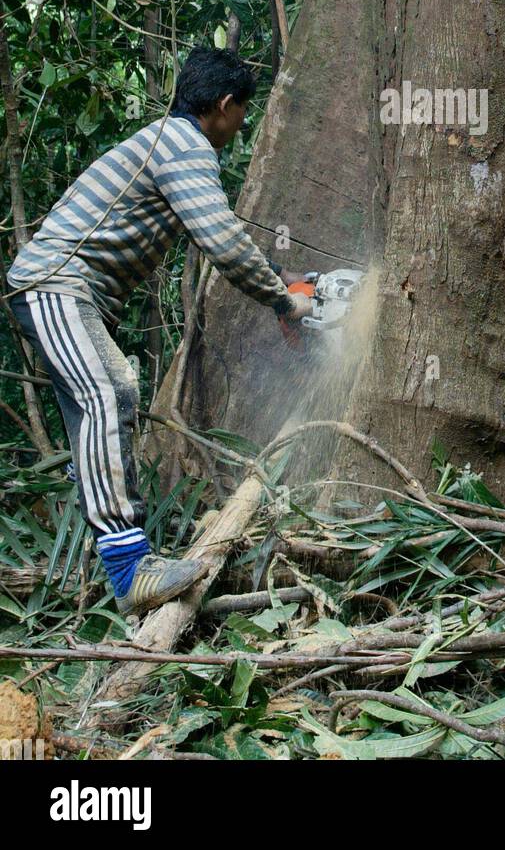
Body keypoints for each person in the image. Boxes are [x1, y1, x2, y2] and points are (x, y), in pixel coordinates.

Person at [7, 46, 309, 618]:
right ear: (224, 106)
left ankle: (109, 555)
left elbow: (220, 229)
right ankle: (130, 571)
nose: (241, 126)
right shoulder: (187, 147)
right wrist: (280, 300)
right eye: (242, 112)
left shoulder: (167, 142)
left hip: (61, 290)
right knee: (111, 389)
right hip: (55, 284)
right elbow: (221, 243)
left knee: (100, 403)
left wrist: (279, 274)